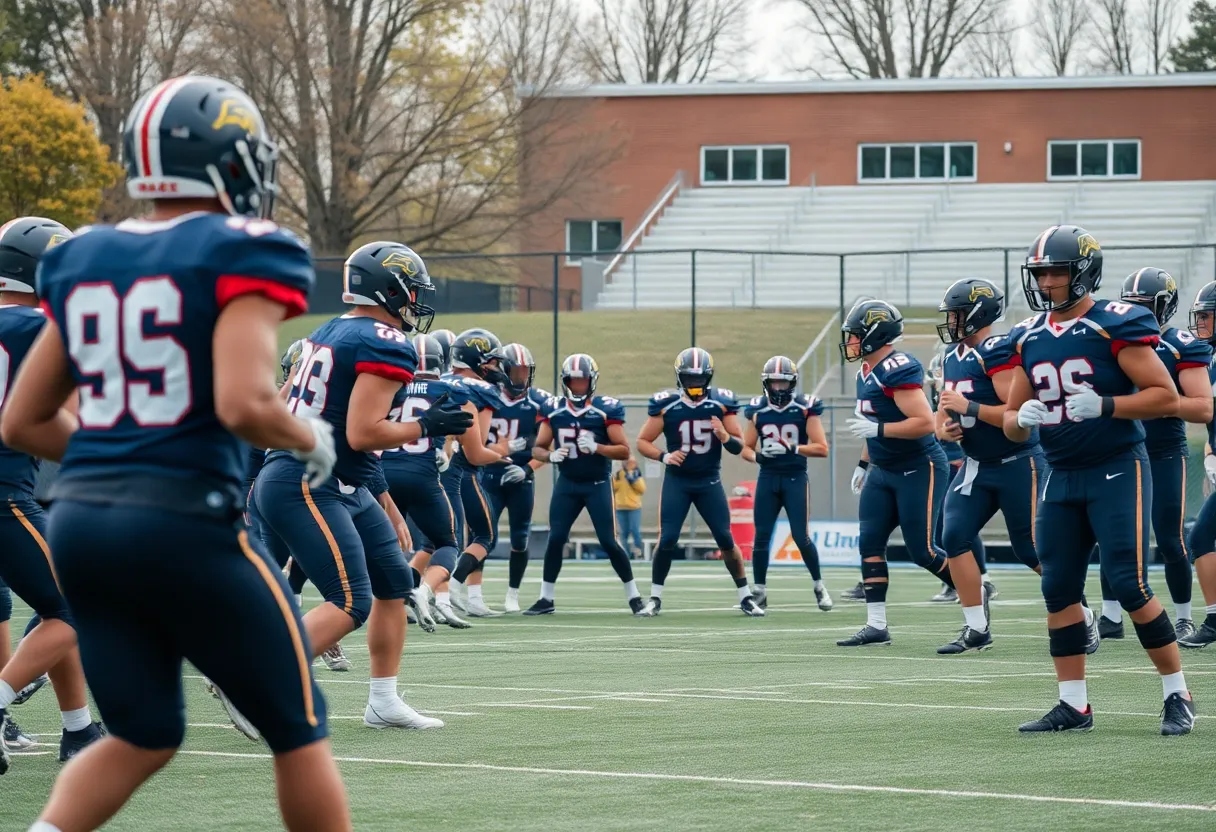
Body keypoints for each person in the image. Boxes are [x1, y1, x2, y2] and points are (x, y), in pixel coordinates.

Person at [0, 75, 353, 829]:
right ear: (230, 159)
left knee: (143, 734)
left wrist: (113, 453)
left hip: (83, 524)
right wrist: (307, 434)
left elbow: (24, 421)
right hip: (185, 519)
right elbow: (245, 403)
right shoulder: (244, 247)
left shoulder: (82, 255)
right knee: (297, 731)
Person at [254, 240, 471, 732]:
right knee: (351, 600)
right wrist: (427, 425)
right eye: (411, 290)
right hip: (311, 479)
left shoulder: (327, 331)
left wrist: (390, 509)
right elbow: (364, 432)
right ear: (389, 288)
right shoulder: (386, 340)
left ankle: (383, 701)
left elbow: (323, 426)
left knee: (394, 583)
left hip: (335, 478)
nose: (416, 301)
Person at [1004, 225, 1193, 735]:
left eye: (1056, 272)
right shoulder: (1029, 335)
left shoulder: (1115, 324)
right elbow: (1009, 421)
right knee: (1058, 588)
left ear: (1083, 273)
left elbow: (1166, 397)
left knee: (1130, 586)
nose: (1046, 283)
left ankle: (1178, 693)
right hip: (1061, 473)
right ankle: (1074, 704)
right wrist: (1020, 418)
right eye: (1040, 273)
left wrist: (1108, 404)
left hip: (1116, 467)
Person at [0, 217, 105, 776]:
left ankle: (79, 728)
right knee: (75, 604)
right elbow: (77, 420)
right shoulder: (43, 327)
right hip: (4, 492)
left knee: (52, 607)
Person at [932, 278, 1054, 655]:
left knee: (1030, 547)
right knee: (953, 539)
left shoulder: (997, 351)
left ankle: (1079, 612)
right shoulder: (952, 356)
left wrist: (968, 409)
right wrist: (945, 429)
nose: (951, 321)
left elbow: (1015, 412)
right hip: (977, 464)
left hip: (1018, 462)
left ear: (976, 314)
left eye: (956, 314)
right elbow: (942, 414)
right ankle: (976, 627)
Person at [1094, 269, 1210, 641]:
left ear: (1164, 307)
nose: (1136, 312)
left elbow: (1201, 408)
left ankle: (1183, 616)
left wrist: (1157, 401)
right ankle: (1111, 617)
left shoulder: (1179, 344)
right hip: (1121, 449)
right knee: (1113, 536)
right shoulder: (1111, 340)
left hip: (1162, 452)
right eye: (1132, 305)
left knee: (1171, 538)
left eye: (1144, 306)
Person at [840, 299, 955, 647]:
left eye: (856, 336)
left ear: (876, 335)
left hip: (919, 466)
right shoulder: (866, 370)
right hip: (884, 468)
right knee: (869, 542)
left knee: (923, 551)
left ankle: (973, 592)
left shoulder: (896, 367)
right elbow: (870, 425)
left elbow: (923, 424)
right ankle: (877, 625)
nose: (851, 342)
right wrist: (864, 462)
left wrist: (878, 433)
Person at [381, 332, 497, 628]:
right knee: (448, 542)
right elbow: (474, 450)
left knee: (385, 545)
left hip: (383, 476)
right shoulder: (453, 391)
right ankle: (425, 590)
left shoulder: (388, 388)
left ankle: (391, 600)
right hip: (423, 475)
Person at [637, 348, 763, 617]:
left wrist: (724, 435)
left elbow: (739, 445)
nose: (695, 384)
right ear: (679, 378)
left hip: (709, 481)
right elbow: (642, 441)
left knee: (726, 540)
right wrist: (664, 456)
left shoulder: (720, 404)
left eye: (699, 379)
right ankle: (655, 598)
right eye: (689, 379)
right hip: (678, 482)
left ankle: (745, 596)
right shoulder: (667, 405)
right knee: (668, 538)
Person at [526, 354, 647, 616]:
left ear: (592, 382)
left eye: (582, 381)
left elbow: (624, 451)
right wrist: (550, 456)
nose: (578, 386)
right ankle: (546, 598)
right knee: (556, 539)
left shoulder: (605, 410)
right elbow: (537, 448)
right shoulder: (554, 409)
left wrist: (597, 447)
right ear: (565, 382)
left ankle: (634, 596)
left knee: (609, 541)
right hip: (567, 484)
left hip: (597, 484)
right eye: (574, 381)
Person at [741, 355, 832, 611]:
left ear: (792, 384)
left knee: (801, 537)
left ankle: (818, 585)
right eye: (774, 383)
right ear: (766, 383)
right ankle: (759, 591)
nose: (778, 388)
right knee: (761, 537)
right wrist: (758, 455)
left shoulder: (804, 409)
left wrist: (794, 448)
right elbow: (745, 449)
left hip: (794, 477)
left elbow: (822, 448)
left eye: (783, 383)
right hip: (768, 477)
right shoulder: (758, 411)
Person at [438, 328, 510, 620]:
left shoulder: (440, 381)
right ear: (476, 359)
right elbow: (475, 453)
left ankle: (440, 595)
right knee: (484, 535)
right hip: (460, 471)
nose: (496, 368)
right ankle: (450, 590)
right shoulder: (479, 390)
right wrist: (504, 454)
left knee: (431, 540)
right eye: (492, 361)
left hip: (426, 466)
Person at [480, 343, 551, 612]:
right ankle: (474, 594)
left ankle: (512, 593)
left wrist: (528, 469)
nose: (521, 377)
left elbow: (546, 447)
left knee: (521, 537)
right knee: (483, 536)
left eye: (525, 372)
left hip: (521, 477)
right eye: (516, 371)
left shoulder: (539, 401)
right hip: (489, 473)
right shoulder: (487, 396)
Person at [926, 347, 994, 604]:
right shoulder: (940, 395)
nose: (935, 382)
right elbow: (939, 427)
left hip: (959, 461)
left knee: (958, 525)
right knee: (950, 527)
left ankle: (983, 579)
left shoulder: (965, 387)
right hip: (944, 460)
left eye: (937, 376)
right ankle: (962, 581)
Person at [1180, 281, 1216, 649]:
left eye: (1207, 315)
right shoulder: (1210, 361)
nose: (1201, 322)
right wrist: (1209, 455)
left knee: (1201, 535)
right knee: (1201, 536)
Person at [612, 457, 645, 559]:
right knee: (623, 532)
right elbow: (613, 487)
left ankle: (639, 551)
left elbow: (642, 489)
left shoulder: (636, 474)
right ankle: (625, 555)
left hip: (634, 507)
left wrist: (633, 480)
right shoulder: (618, 474)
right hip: (621, 507)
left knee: (635, 530)